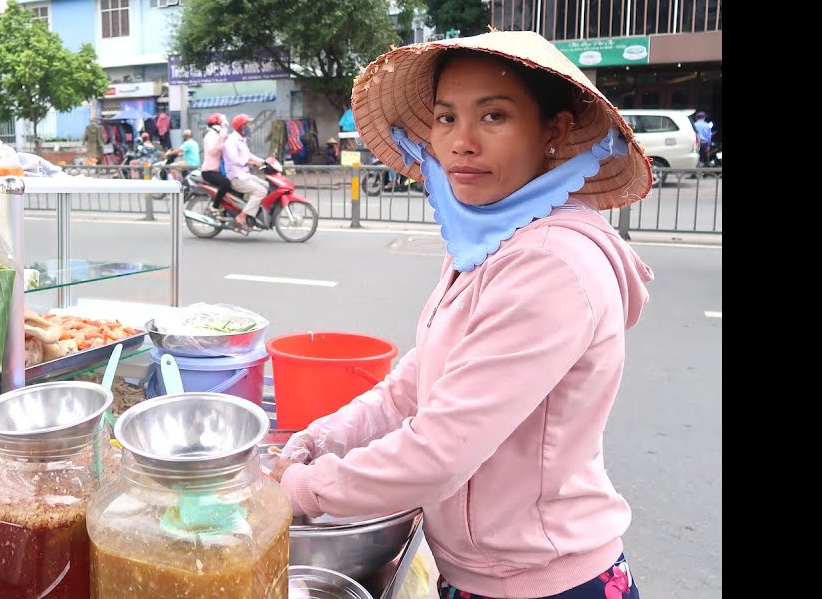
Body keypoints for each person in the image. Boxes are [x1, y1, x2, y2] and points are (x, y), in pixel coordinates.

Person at [268, 30, 653, 599]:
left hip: (543, 584)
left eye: (494, 116)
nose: (461, 143)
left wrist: (301, 490)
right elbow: (412, 388)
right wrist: (319, 439)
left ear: (555, 130)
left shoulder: (550, 263)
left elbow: (440, 451)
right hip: (476, 573)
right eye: (446, 118)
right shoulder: (487, 243)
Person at [222, 113, 268, 232]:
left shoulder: (242, 139)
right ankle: (241, 216)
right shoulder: (231, 141)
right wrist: (252, 163)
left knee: (267, 186)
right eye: (248, 124)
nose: (250, 127)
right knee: (261, 191)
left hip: (245, 175)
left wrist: (264, 161)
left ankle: (253, 212)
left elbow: (248, 155)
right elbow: (234, 160)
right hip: (236, 178)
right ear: (242, 127)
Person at [200, 112, 234, 214]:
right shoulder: (210, 136)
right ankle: (215, 206)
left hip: (219, 170)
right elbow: (212, 151)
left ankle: (227, 210)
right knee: (226, 183)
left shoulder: (218, 135)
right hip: (209, 171)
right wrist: (221, 140)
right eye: (221, 125)